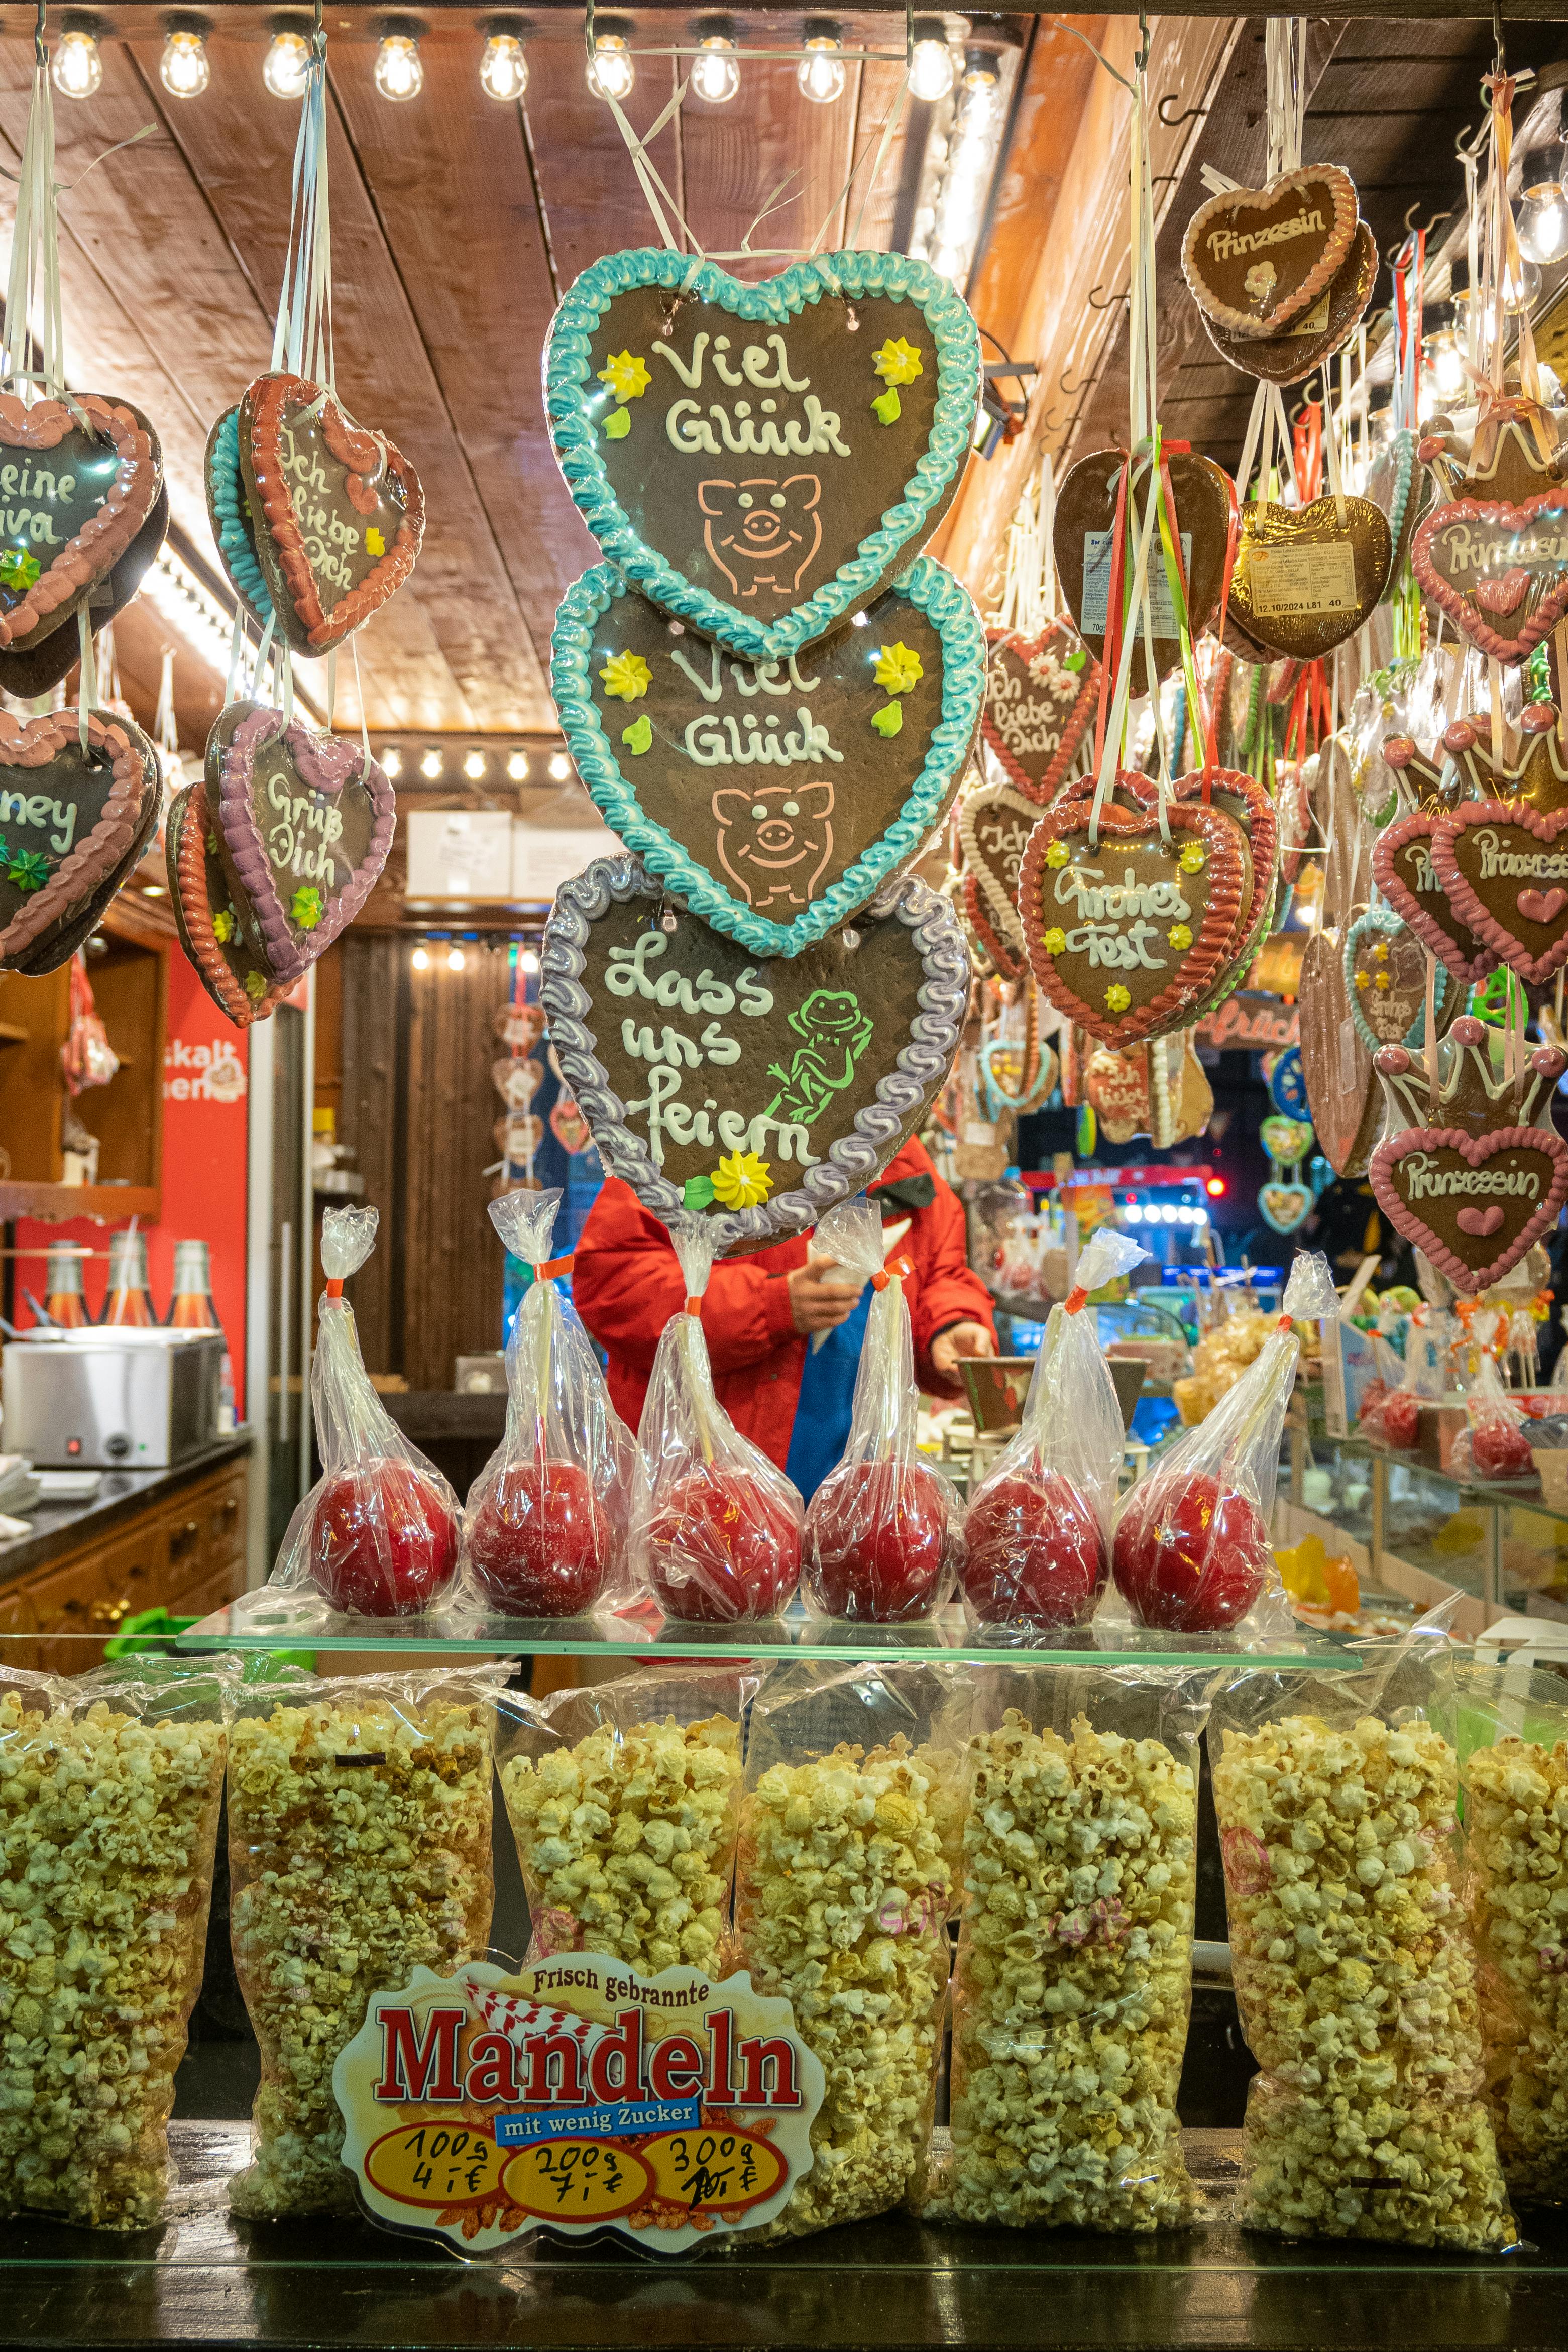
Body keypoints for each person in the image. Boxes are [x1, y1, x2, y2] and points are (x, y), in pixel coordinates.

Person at [572, 1136, 998, 1496]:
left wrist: (951, 1325)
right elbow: (614, 1284)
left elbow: (940, 1270)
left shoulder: (895, 1140)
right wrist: (770, 1304)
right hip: (703, 1490)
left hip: (859, 1497)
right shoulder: (691, 1130)